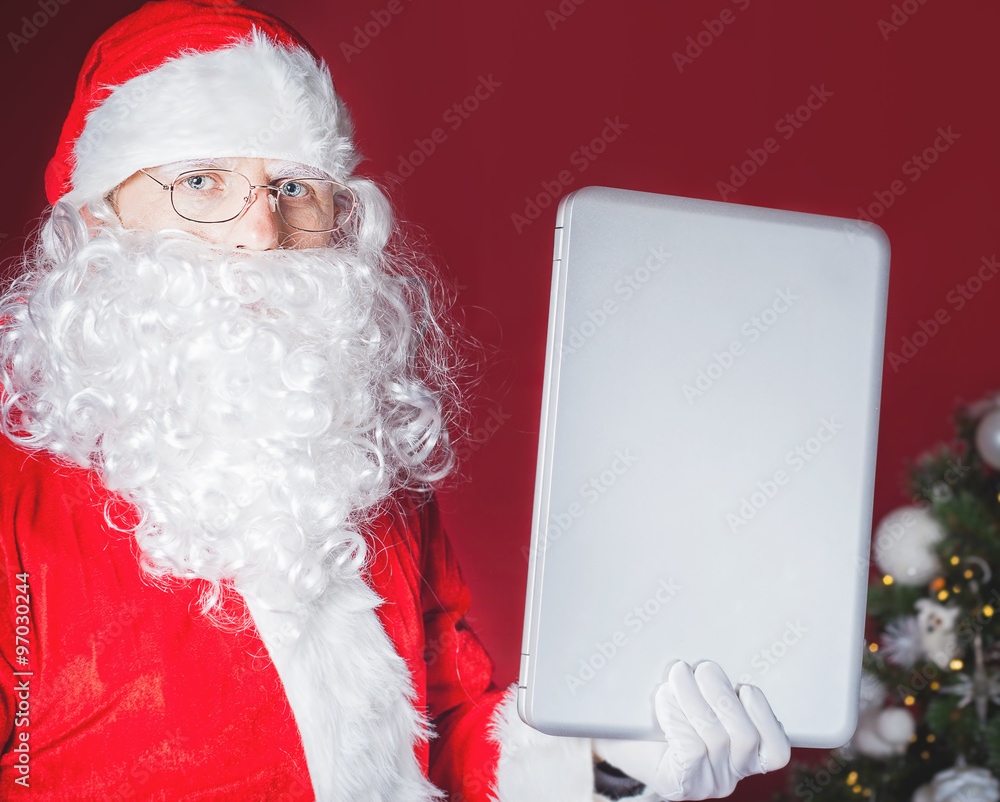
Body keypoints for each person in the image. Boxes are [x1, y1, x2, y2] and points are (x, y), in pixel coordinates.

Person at [0, 1, 791, 799]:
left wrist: (612, 768)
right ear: (97, 220)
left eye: (294, 187)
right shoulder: (15, 497)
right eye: (201, 182)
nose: (260, 234)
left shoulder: (355, 469)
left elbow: (440, 742)